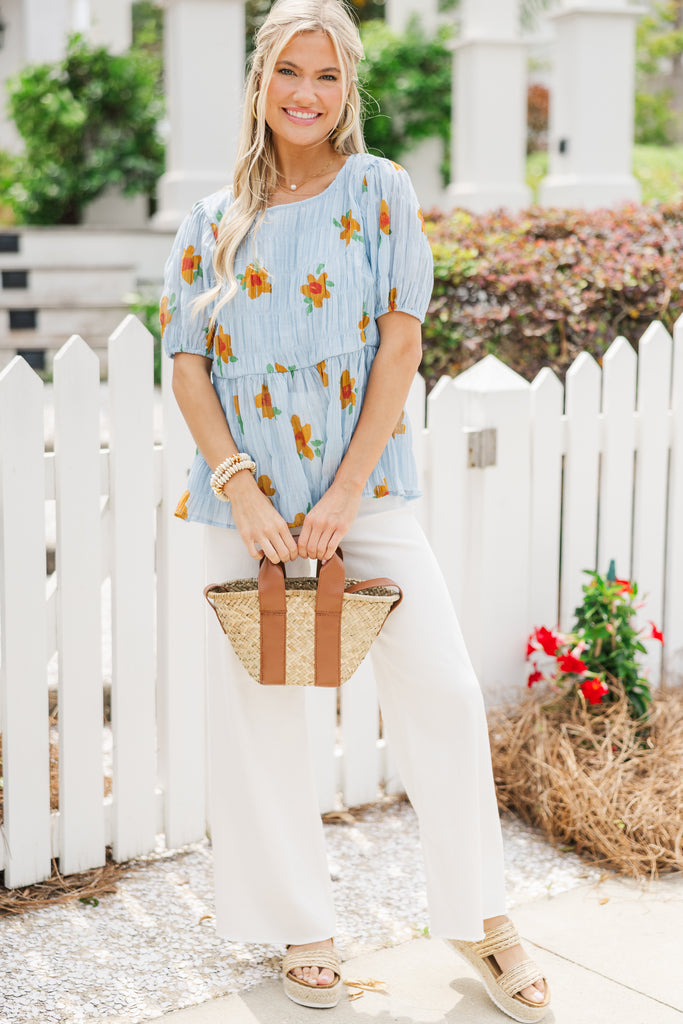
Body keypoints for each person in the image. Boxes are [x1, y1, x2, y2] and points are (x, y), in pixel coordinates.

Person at [159, 0, 551, 1019]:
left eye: (325, 74)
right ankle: (301, 927)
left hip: (361, 494)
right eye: (287, 70)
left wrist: (340, 494)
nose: (304, 92)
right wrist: (242, 488)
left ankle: (478, 917)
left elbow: (400, 345)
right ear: (259, 82)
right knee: (263, 719)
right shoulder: (209, 222)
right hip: (238, 506)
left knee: (443, 694)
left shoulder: (378, 190)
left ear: (348, 89)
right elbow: (188, 367)